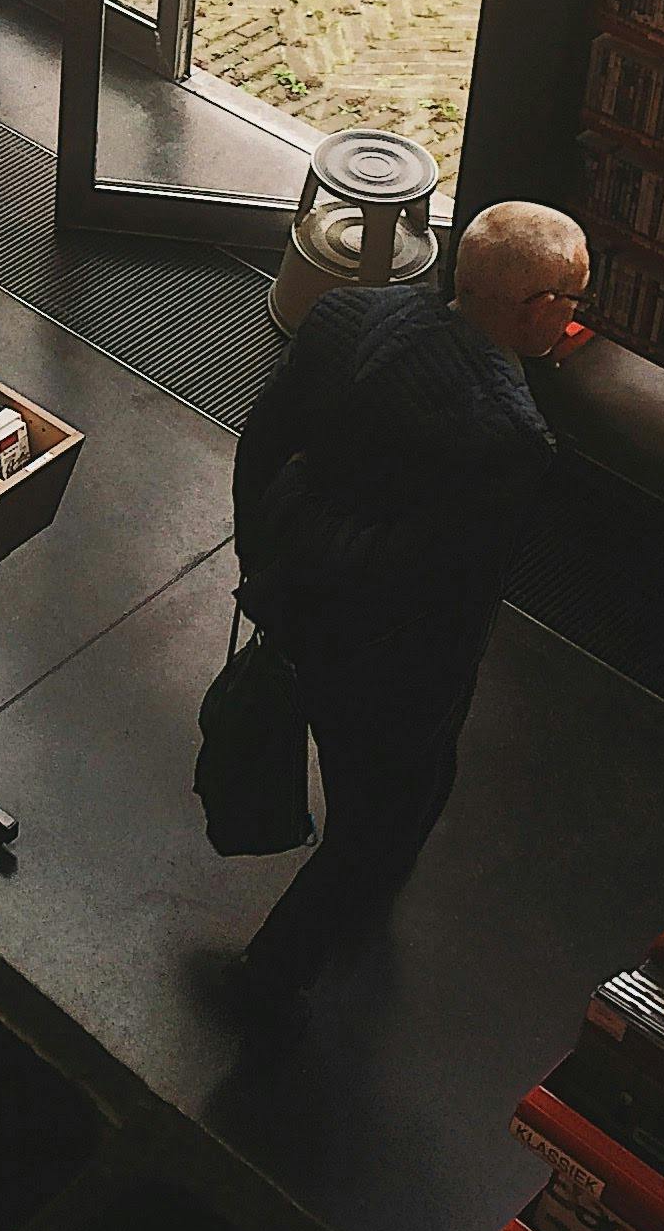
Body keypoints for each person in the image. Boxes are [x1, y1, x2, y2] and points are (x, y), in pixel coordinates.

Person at [223, 200, 591, 1011]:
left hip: (294, 596)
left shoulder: (350, 312)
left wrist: (262, 553)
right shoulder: (513, 435)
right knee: (378, 819)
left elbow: (261, 440)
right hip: (385, 666)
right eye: (574, 300)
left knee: (389, 786)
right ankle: (276, 971)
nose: (575, 316)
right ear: (535, 311)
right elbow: (449, 588)